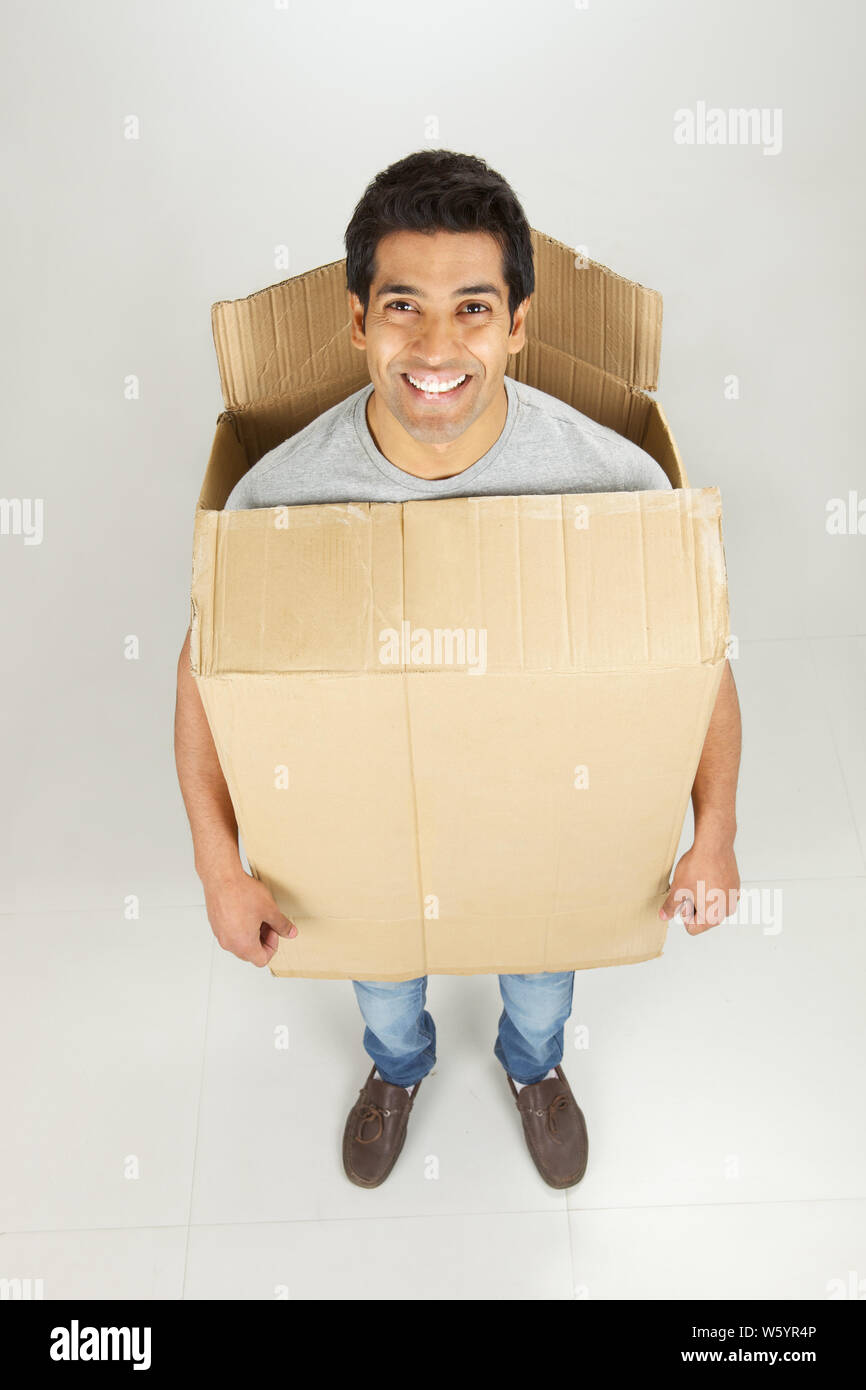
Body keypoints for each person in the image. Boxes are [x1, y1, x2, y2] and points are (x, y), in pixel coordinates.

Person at [174, 149, 742, 1192]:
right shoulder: (276, 499)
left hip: (544, 834)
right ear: (356, 320)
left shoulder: (609, 484)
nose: (436, 345)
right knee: (383, 985)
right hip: (362, 847)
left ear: (517, 323)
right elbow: (205, 666)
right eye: (402, 306)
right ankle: (397, 1067)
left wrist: (714, 835)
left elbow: (695, 657)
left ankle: (533, 1068)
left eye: (472, 307)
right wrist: (219, 863)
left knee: (539, 977)